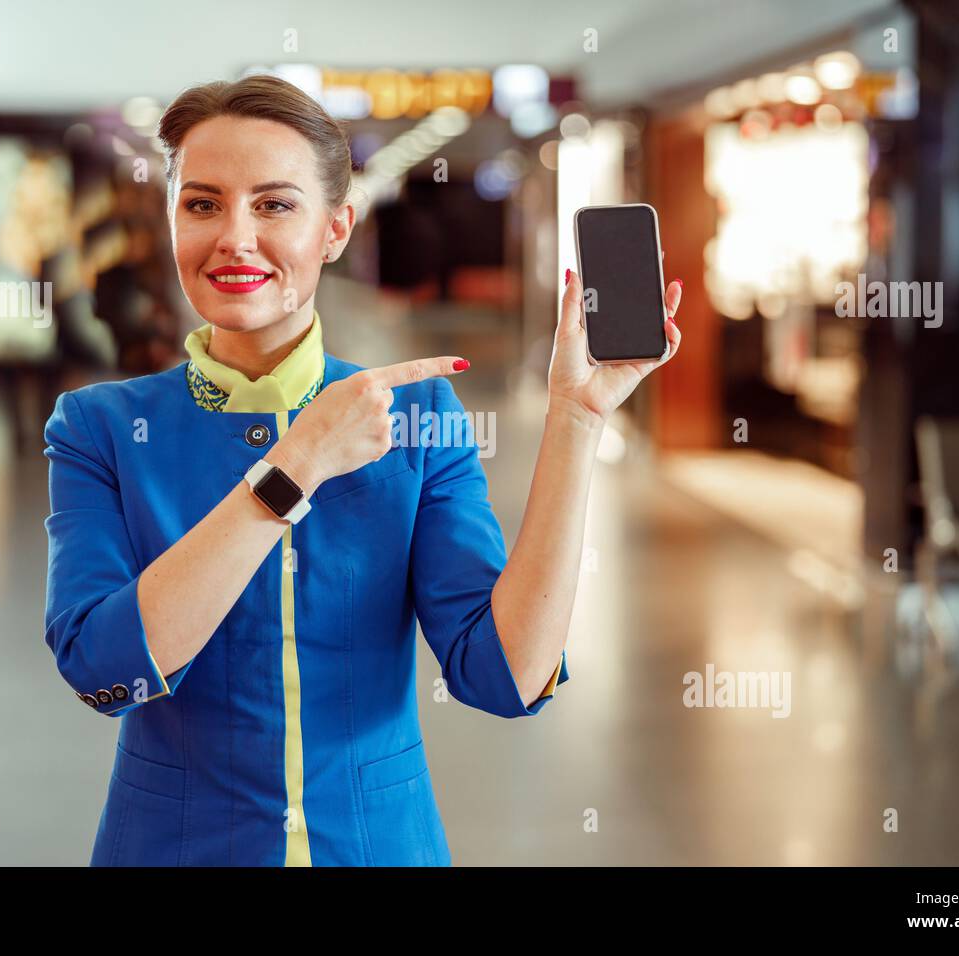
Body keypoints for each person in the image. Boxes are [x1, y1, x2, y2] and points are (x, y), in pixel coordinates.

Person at [42, 73, 682, 866]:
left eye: (275, 204)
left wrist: (577, 421)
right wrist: (293, 467)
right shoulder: (99, 429)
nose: (234, 238)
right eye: (202, 203)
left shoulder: (417, 418)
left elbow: (505, 676)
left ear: (337, 228)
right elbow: (105, 670)